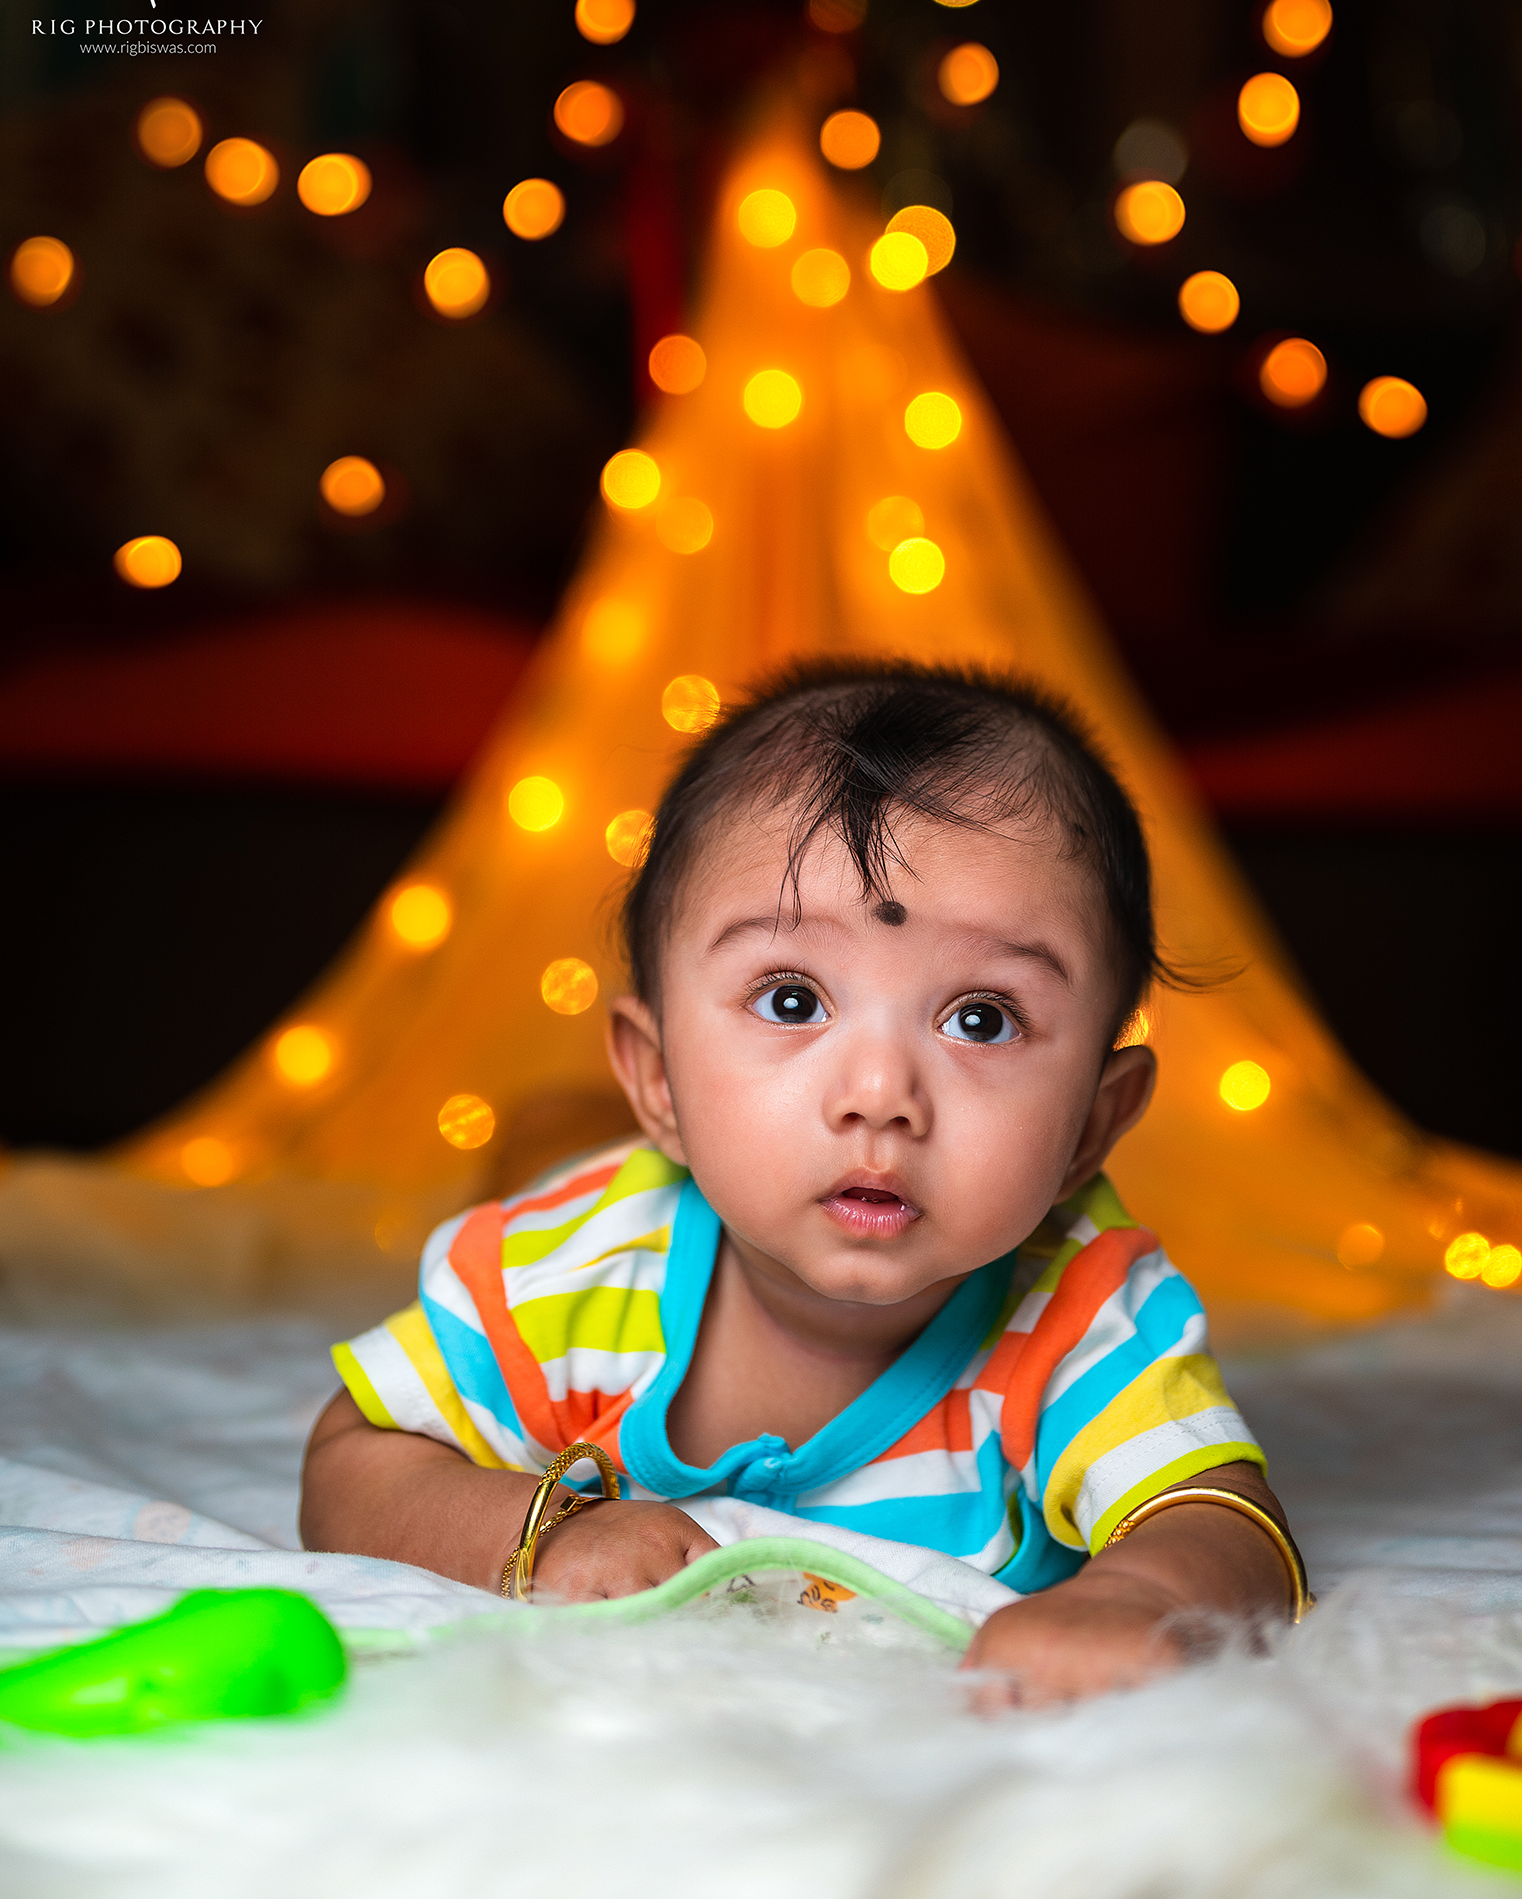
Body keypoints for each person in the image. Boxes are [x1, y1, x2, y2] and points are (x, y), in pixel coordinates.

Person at [301, 661, 1302, 1704]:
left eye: (981, 1018)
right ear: (658, 1077)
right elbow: (351, 1456)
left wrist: (1135, 1597)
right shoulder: (568, 1268)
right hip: (647, 1803)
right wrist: (544, 1533)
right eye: (791, 998)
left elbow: (1226, 1518)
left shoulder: (1078, 1312)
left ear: (1092, 1123)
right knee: (541, 1166)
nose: (880, 1093)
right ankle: (558, 1128)